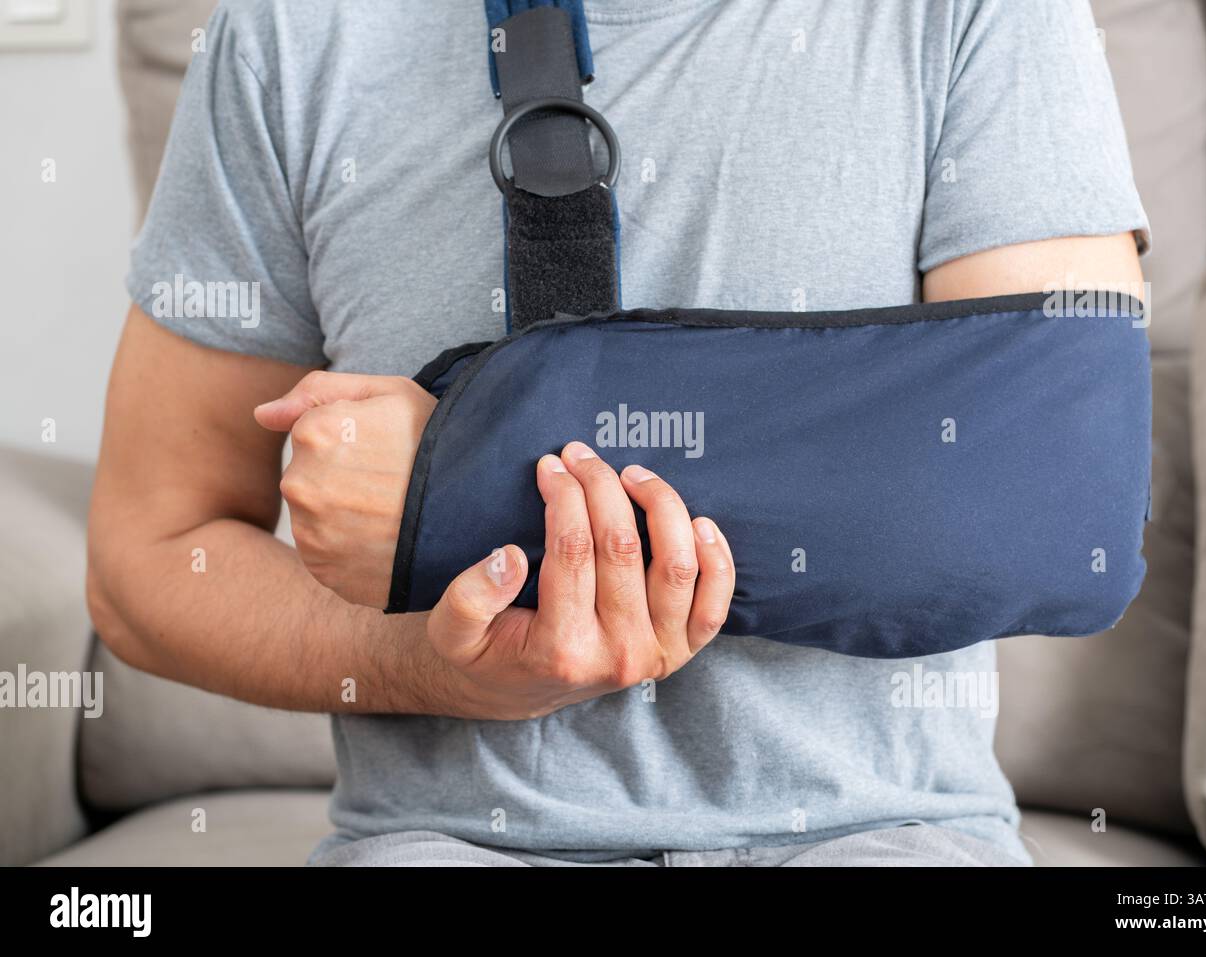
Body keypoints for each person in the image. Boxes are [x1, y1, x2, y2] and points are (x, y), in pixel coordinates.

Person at [88, 0, 1148, 867]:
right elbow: (146, 557)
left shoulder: (978, 14)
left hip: (885, 832)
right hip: (450, 846)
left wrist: (462, 490)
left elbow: (1055, 502)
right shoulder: (292, 32)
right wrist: (424, 663)